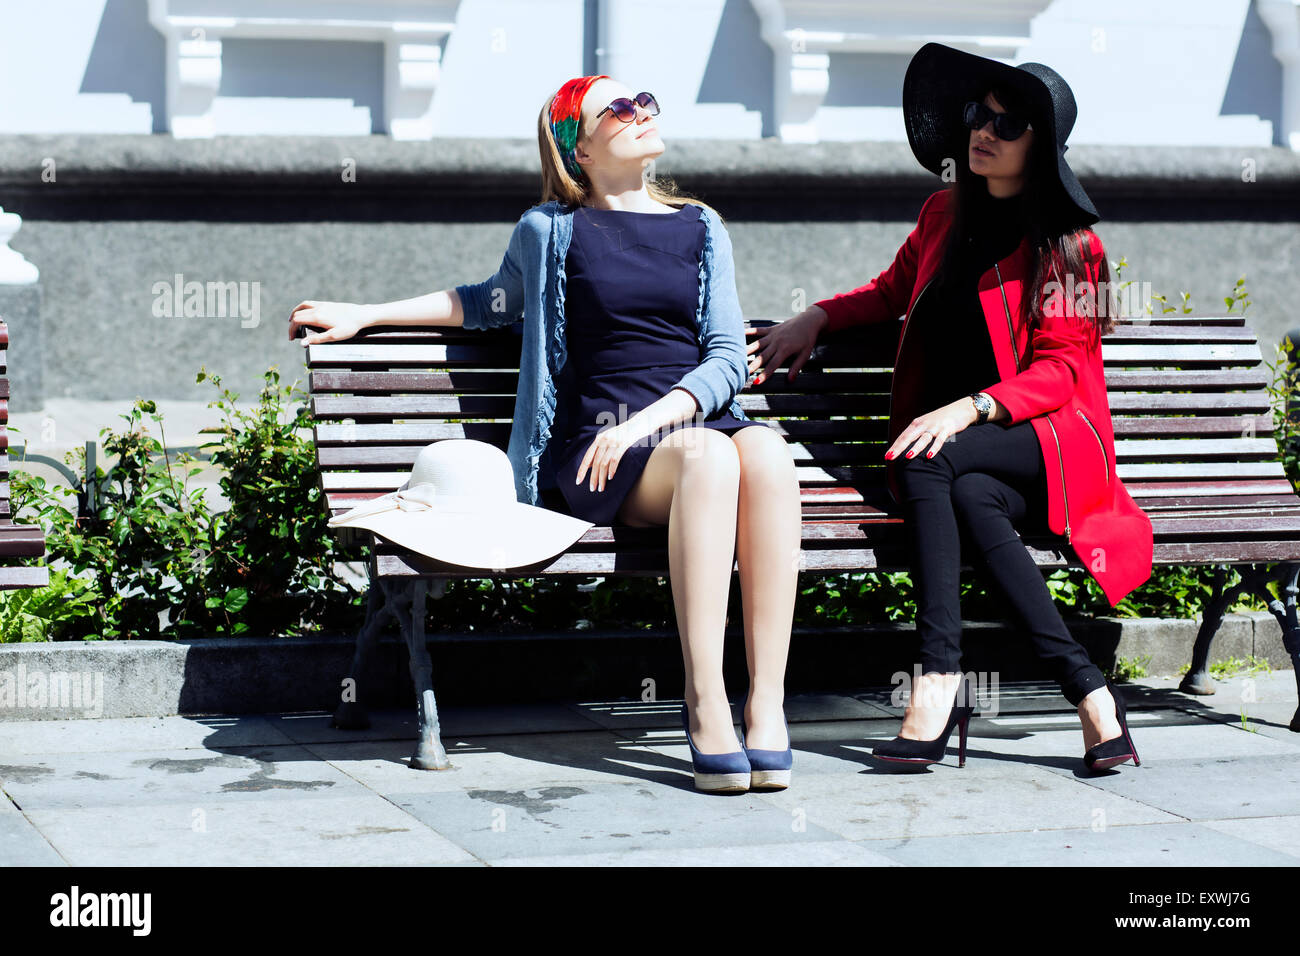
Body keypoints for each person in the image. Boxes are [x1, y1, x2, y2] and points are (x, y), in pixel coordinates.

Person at [288, 75, 801, 794]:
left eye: (645, 100)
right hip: (600, 451)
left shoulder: (701, 226)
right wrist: (366, 313)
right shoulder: (550, 230)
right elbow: (485, 302)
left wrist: (652, 421)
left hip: (675, 423)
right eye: (618, 109)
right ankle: (705, 701)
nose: (641, 112)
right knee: (709, 454)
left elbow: (725, 356)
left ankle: (767, 703)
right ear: (577, 147)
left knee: (767, 452)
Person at [747, 43, 1153, 773]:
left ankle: (936, 676)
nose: (984, 131)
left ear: (1043, 148)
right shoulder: (943, 213)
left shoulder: (1070, 246)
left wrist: (969, 408)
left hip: (1053, 442)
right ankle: (1091, 696)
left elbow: (1062, 372)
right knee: (960, 486)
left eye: (1009, 123)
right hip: (967, 458)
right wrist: (817, 317)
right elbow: (890, 292)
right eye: (978, 114)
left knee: (929, 455)